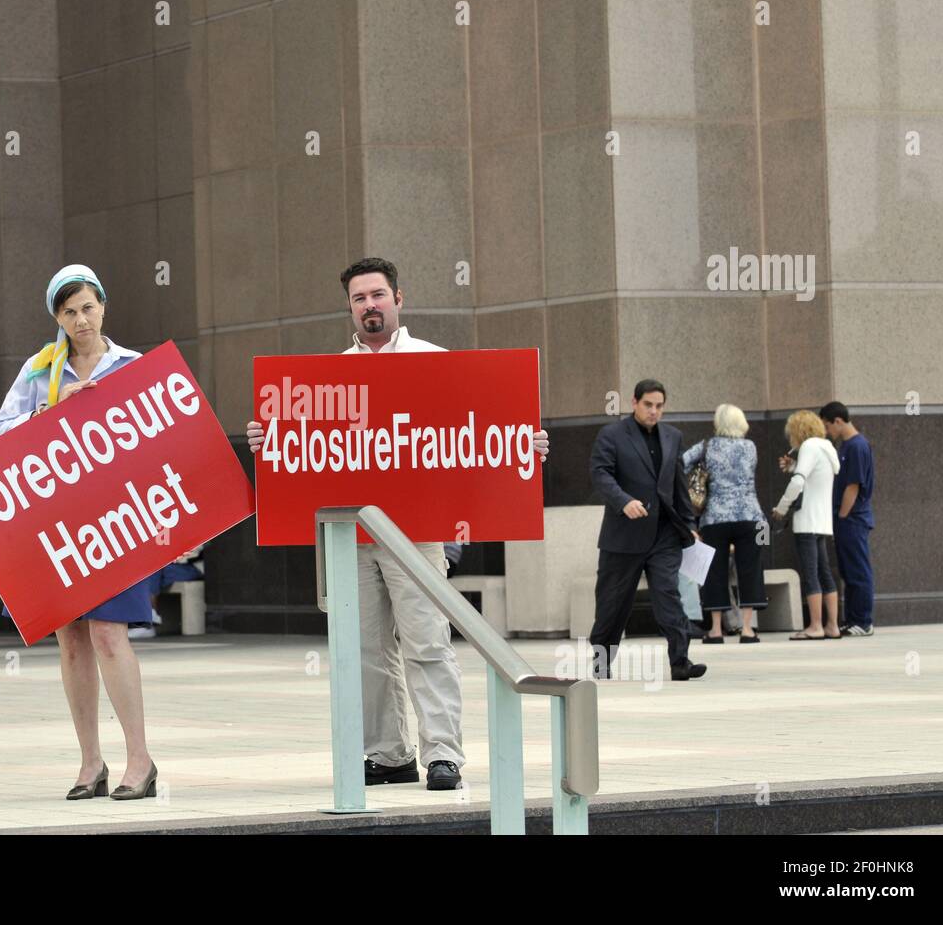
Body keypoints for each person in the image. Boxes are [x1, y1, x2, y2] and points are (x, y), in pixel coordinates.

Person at [245, 256, 549, 791]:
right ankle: (387, 755)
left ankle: (442, 756)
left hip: (416, 534)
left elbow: (477, 434)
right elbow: (311, 451)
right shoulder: (327, 376)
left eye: (377, 295)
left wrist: (524, 445)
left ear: (398, 299)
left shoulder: (435, 362)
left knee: (427, 642)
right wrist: (270, 440)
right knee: (365, 650)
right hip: (353, 536)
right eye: (359, 298)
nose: (369, 305)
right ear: (350, 308)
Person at [0, 264, 158, 801]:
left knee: (110, 632)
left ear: (103, 306)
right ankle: (91, 762)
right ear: (57, 318)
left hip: (118, 518)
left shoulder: (132, 366)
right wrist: (52, 409)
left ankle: (140, 761)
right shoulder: (41, 370)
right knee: (71, 640)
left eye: (87, 307)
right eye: (68, 312)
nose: (80, 320)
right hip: (60, 522)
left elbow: (163, 438)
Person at [589, 380, 705, 680]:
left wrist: (690, 525)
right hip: (624, 535)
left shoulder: (672, 436)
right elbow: (600, 473)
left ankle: (680, 661)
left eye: (659, 406)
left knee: (668, 594)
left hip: (664, 534)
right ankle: (601, 662)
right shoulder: (612, 435)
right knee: (613, 604)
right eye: (648, 405)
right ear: (634, 403)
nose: (654, 411)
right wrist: (623, 501)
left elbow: (678, 483)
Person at [680, 404, 767, 644]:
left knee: (713, 571)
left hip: (715, 518)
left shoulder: (707, 446)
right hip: (753, 518)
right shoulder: (751, 447)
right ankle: (748, 629)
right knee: (751, 568)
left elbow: (681, 463)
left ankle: (716, 630)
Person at [771, 410, 840, 640]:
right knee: (825, 572)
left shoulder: (809, 446)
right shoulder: (827, 447)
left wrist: (781, 508)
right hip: (823, 522)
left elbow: (799, 481)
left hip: (807, 520)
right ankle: (832, 626)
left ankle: (815, 626)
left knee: (810, 574)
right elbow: (815, 478)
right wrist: (793, 466)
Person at [820, 402, 876, 635]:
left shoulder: (856, 446)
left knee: (857, 570)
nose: (827, 432)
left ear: (838, 421)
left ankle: (862, 621)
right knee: (848, 570)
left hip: (853, 518)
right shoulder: (846, 446)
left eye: (827, 426)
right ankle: (853, 619)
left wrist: (842, 516)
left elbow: (853, 486)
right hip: (847, 518)